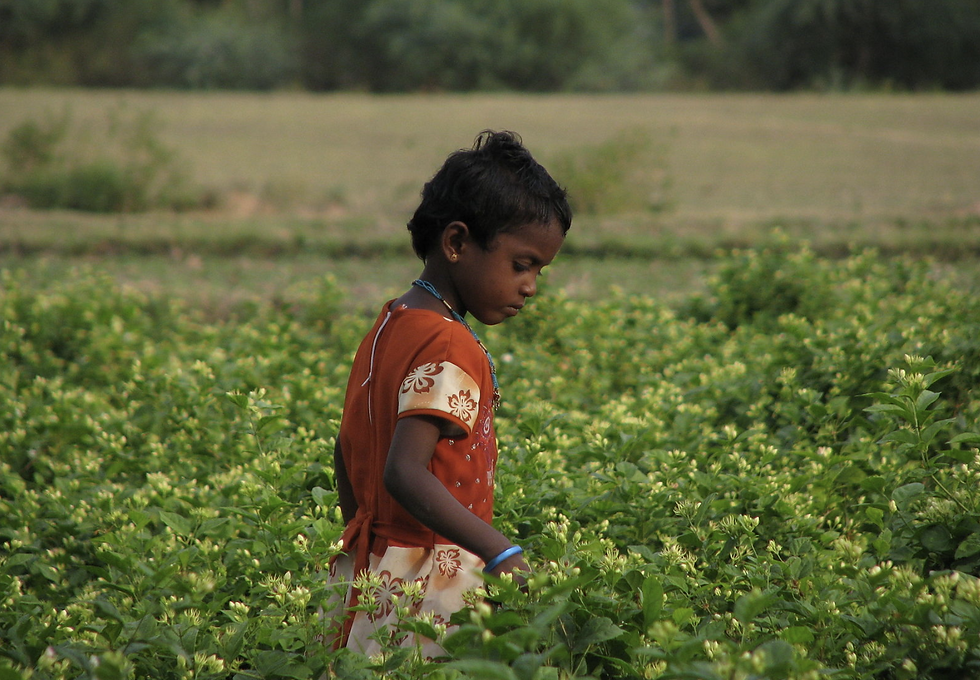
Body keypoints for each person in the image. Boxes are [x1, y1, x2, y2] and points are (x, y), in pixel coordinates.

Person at [323, 130, 572, 657]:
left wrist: (368, 544)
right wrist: (500, 552)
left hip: (368, 572)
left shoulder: (392, 322)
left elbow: (345, 449)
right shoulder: (449, 342)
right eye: (522, 264)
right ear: (456, 243)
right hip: (428, 583)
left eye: (539, 271)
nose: (531, 286)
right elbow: (404, 471)